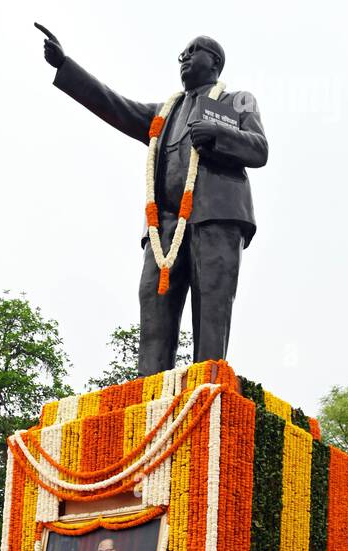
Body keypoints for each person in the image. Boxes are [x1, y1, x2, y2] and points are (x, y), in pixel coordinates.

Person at [39, 28, 268, 374]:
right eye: (182, 54)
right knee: (154, 308)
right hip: (164, 226)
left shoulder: (237, 100)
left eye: (195, 51)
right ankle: (149, 395)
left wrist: (218, 134)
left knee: (212, 309)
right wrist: (65, 66)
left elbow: (259, 148)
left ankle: (206, 391)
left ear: (215, 62)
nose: (185, 58)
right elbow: (115, 105)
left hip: (216, 217)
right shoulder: (166, 112)